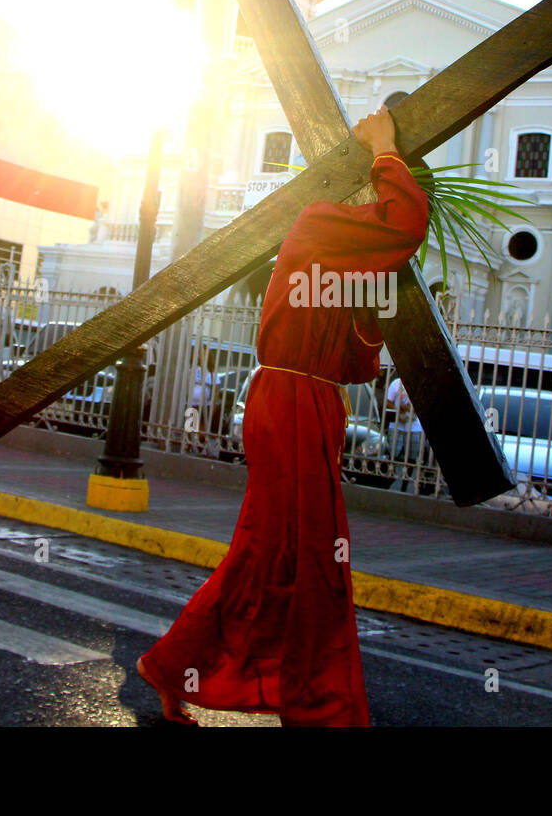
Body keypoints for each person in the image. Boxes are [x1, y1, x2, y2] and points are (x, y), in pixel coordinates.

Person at [136, 106, 428, 726]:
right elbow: (405, 221)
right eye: (377, 179)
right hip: (290, 402)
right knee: (310, 555)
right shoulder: (318, 223)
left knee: (279, 555)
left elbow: (355, 365)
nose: (377, 193)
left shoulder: (339, 248)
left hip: (311, 402)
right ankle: (324, 706)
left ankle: (177, 665)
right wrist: (384, 144)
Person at [385, 375, 427, 492]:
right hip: (397, 424)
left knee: (412, 457)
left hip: (414, 426)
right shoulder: (396, 383)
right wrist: (398, 408)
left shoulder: (420, 385)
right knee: (393, 454)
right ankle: (388, 479)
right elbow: (388, 401)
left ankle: (405, 484)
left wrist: (412, 409)